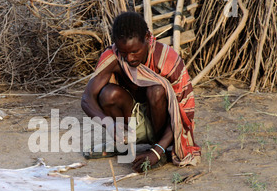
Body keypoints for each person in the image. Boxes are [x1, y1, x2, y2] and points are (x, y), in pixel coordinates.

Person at [81, 11, 201, 172]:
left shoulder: (167, 60)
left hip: (163, 124)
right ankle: (123, 144)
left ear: (147, 38)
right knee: (108, 94)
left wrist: (156, 152)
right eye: (124, 53)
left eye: (135, 51)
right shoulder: (113, 56)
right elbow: (87, 99)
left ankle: (160, 150)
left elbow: (183, 113)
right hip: (130, 121)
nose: (129, 58)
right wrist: (109, 124)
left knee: (157, 91)